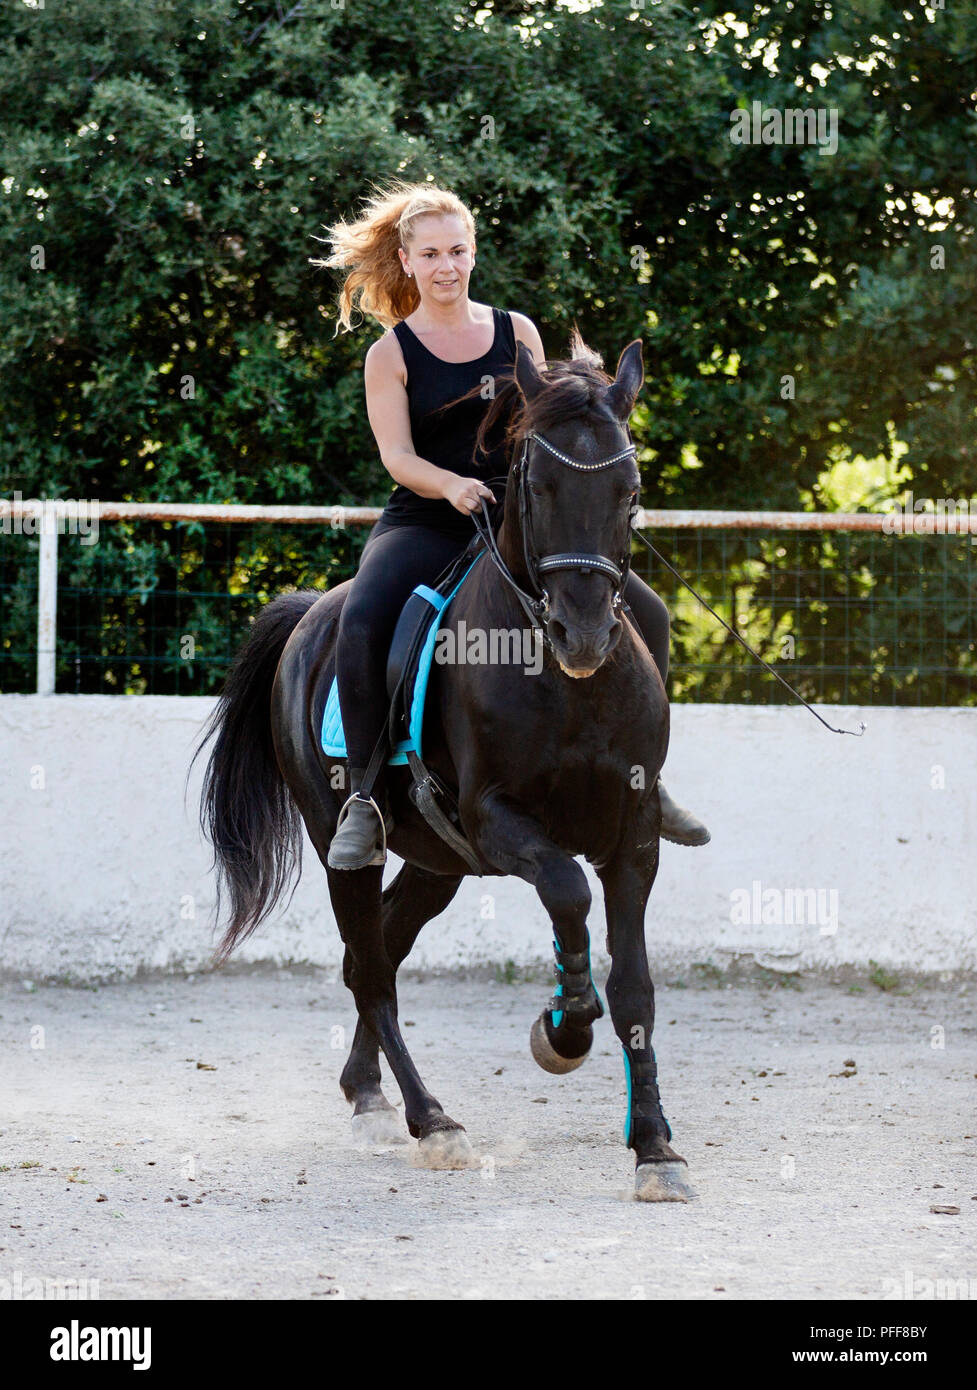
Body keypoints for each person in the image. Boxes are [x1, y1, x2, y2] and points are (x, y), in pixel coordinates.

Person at [315, 181, 709, 869]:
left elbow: (550, 420)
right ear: (405, 261)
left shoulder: (515, 332)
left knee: (647, 611)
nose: (446, 265)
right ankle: (366, 799)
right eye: (430, 253)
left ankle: (647, 784)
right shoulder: (391, 354)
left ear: (473, 254)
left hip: (524, 519)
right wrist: (453, 486)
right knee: (362, 618)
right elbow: (396, 456)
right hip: (429, 517)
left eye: (458, 251)